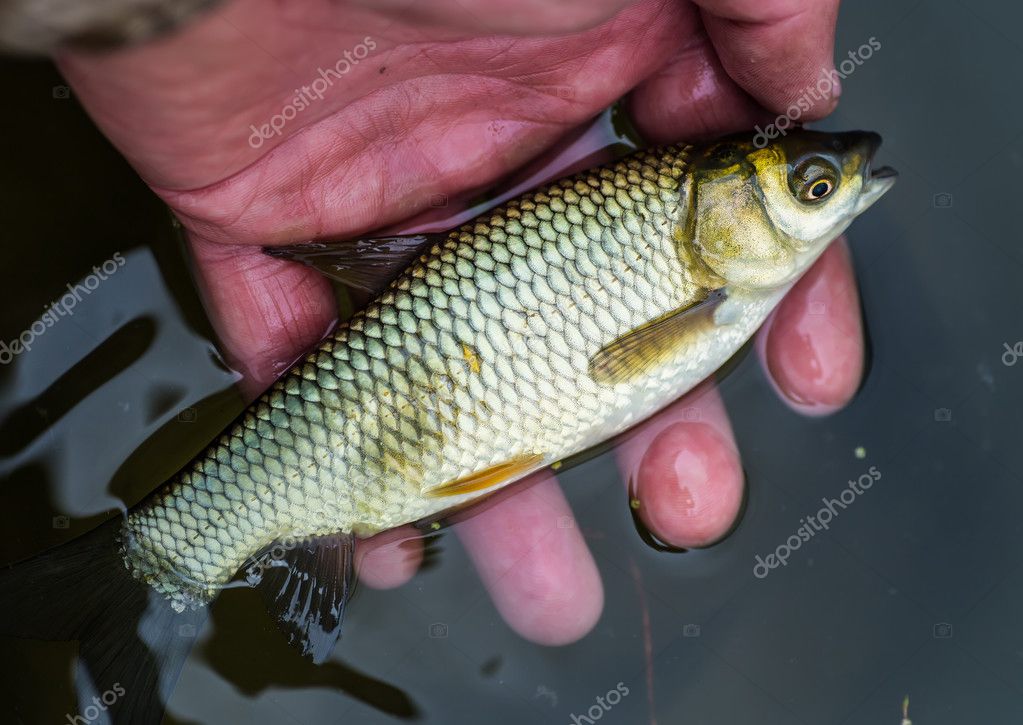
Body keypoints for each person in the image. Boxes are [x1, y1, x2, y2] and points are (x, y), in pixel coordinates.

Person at [32, 0, 863, 645]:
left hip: (424, 415)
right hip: (417, 410)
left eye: (812, 186)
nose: (832, 187)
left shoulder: (714, 273)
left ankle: (145, 576)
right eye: (813, 187)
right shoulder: (713, 289)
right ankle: (151, 565)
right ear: (718, 216)